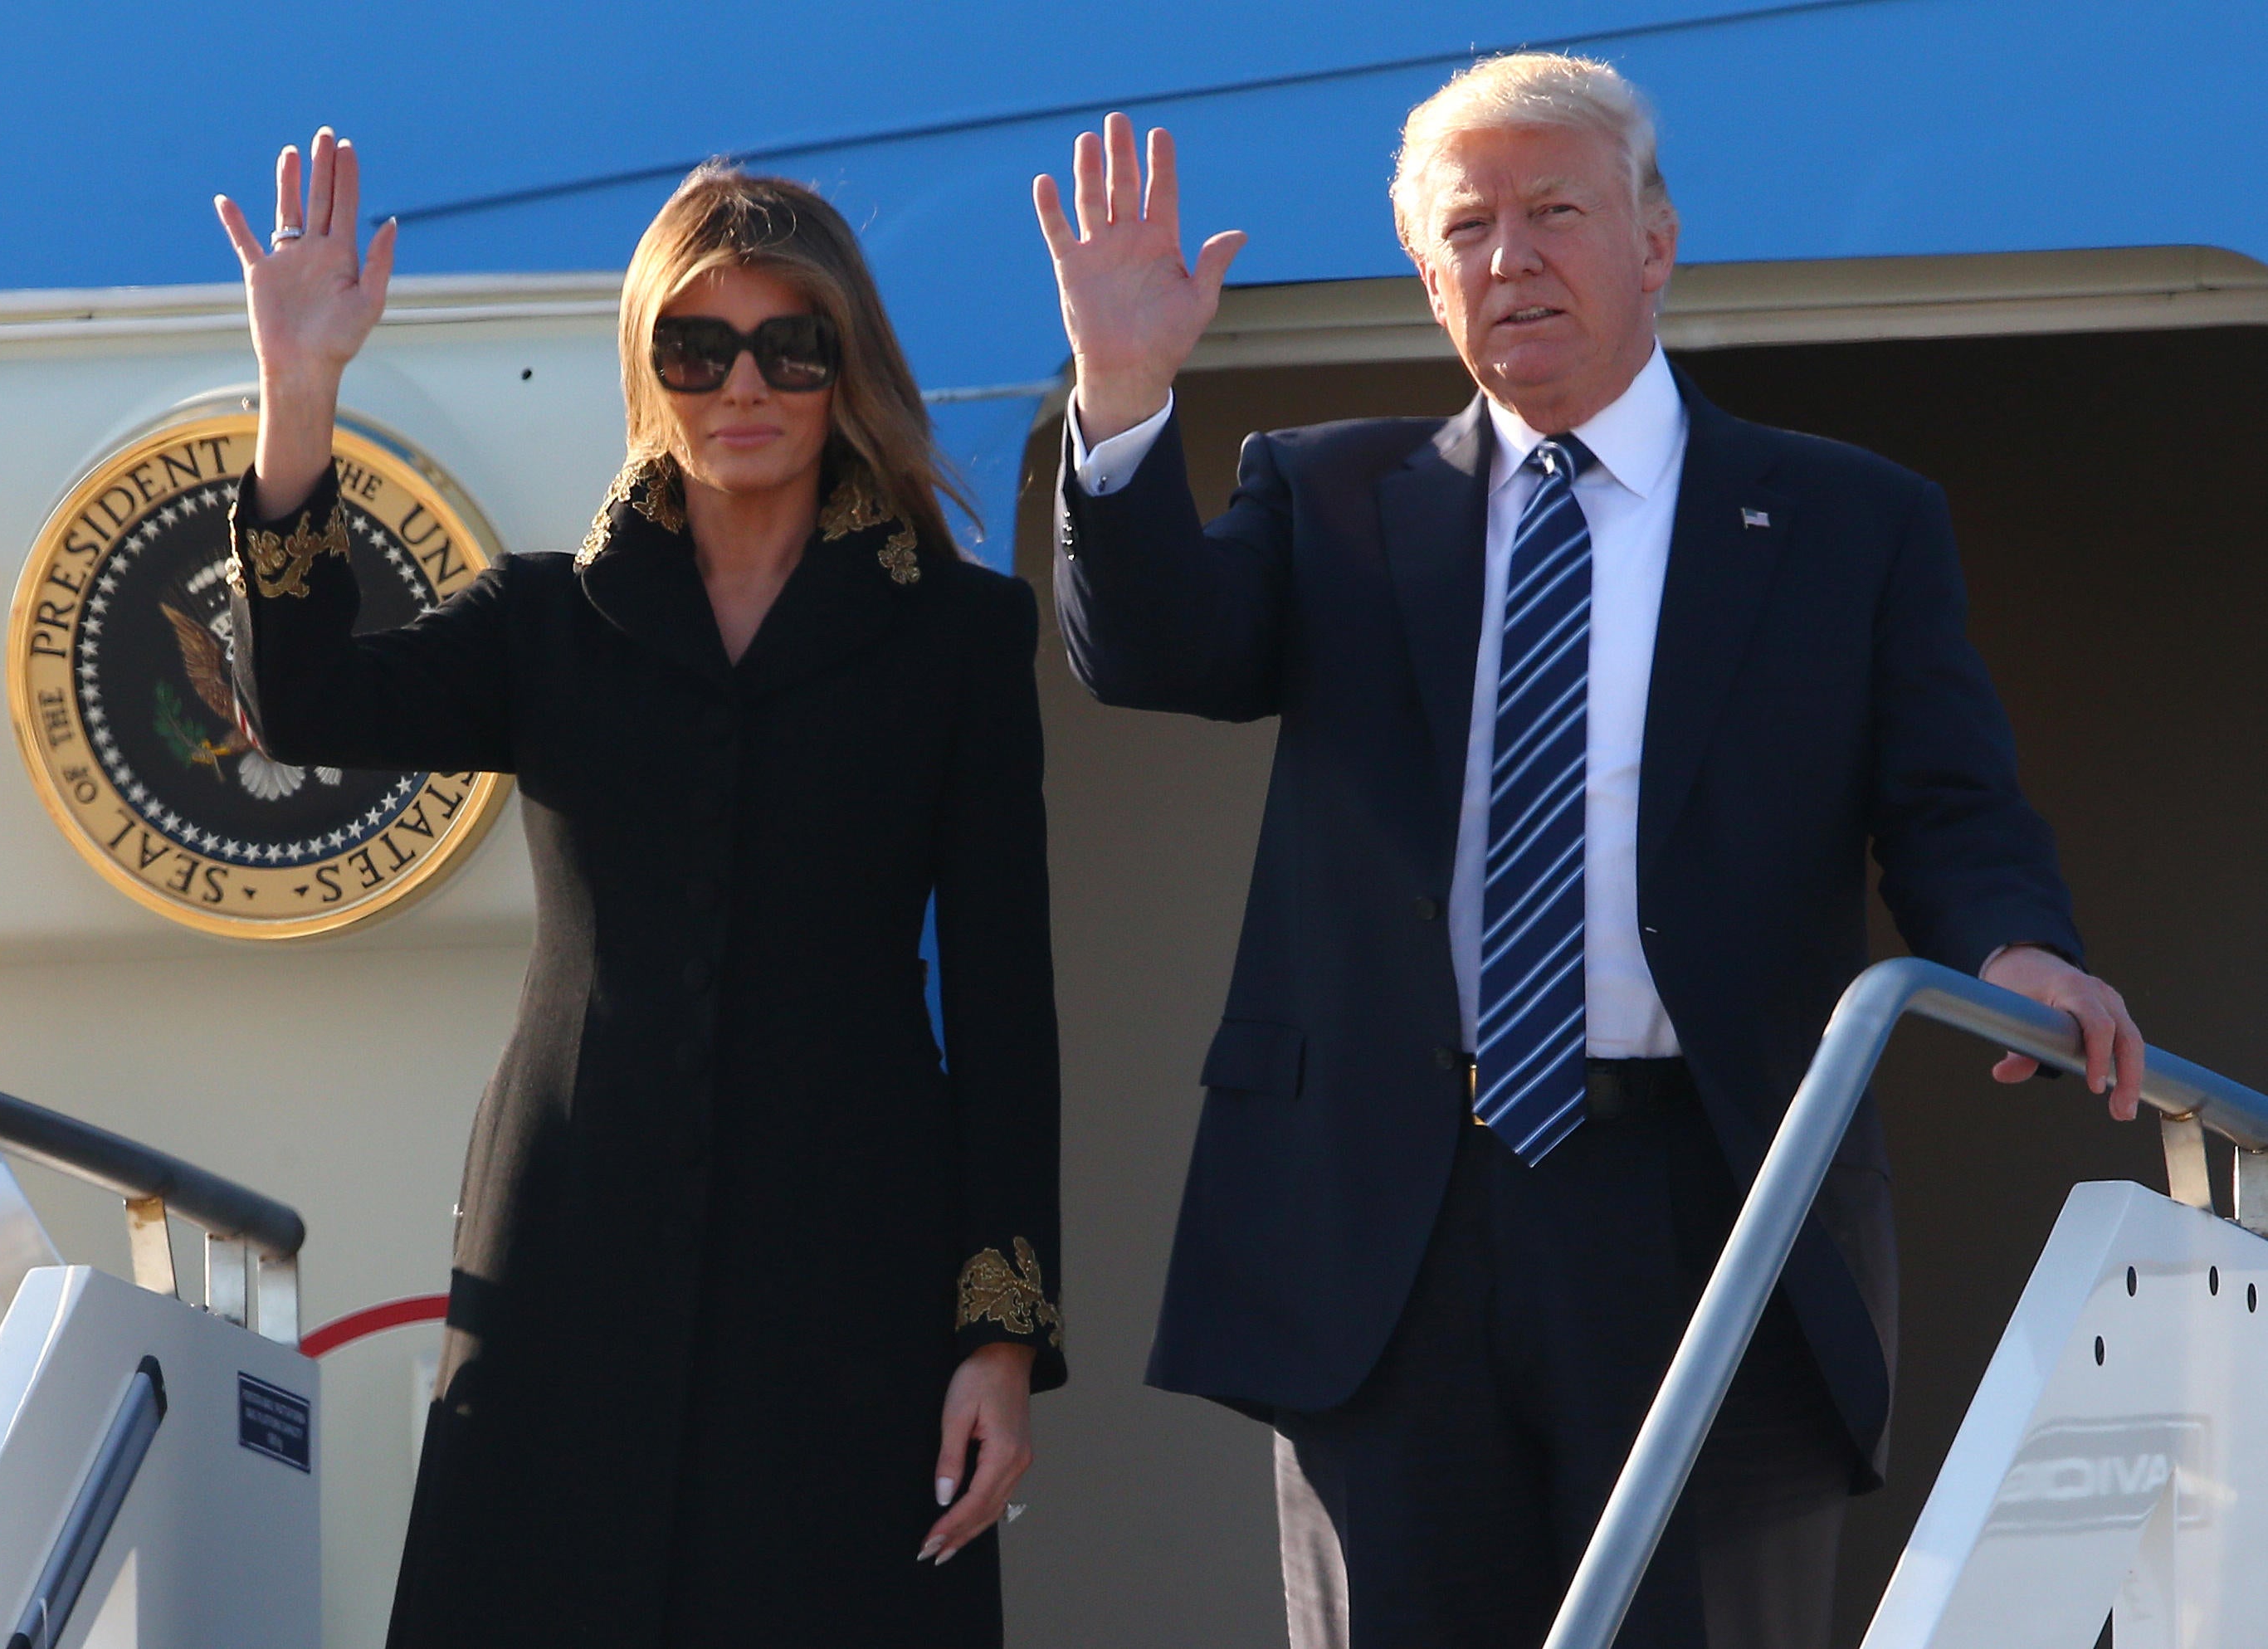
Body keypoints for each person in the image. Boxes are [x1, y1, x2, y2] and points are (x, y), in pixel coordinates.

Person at [1035, 53, 2144, 1649]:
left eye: (1554, 211)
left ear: (1656, 240)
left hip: (1713, 1207)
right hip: (1389, 1233)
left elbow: (1952, 807)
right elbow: (1151, 650)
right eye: (1467, 229)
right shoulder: (1332, 493)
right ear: (1428, 282)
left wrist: (2015, 949)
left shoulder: (1847, 522)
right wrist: (1127, 399)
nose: (1511, 257)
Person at [214, 130, 1064, 1647]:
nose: (742, 386)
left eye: (787, 347)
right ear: (651, 365)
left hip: (850, 1262)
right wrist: (300, 394)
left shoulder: (959, 641)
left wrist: (998, 1339)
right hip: (566, 1246)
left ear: (844, 364)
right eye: (700, 345)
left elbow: (1006, 1006)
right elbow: (305, 708)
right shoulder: (547, 620)